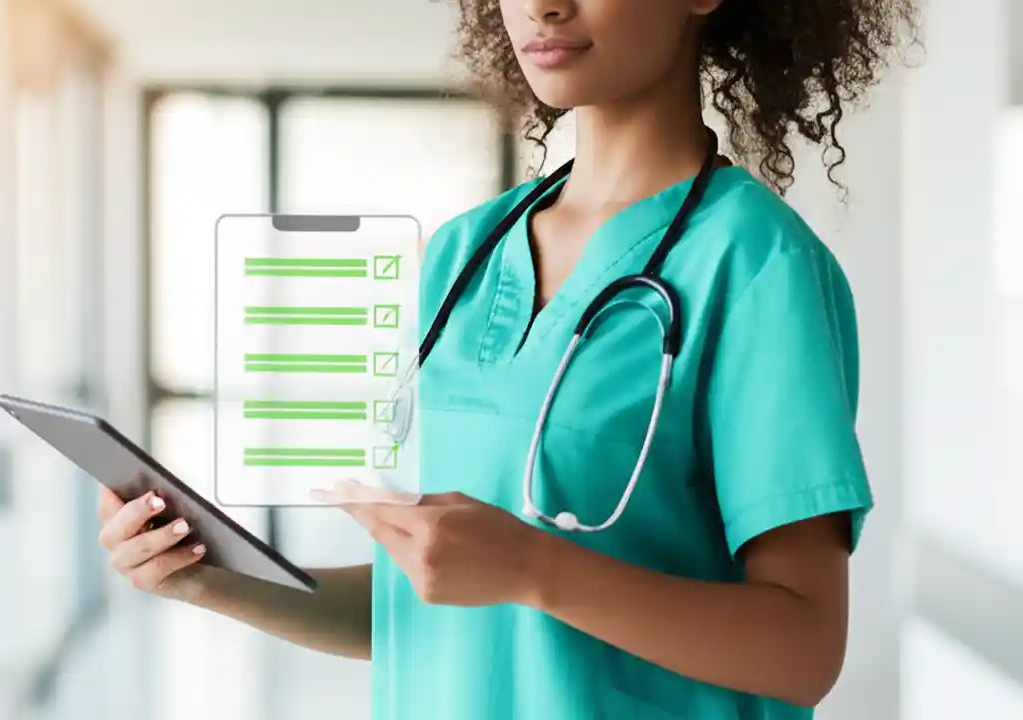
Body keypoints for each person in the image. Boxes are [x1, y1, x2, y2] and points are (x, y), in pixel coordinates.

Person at [96, 1, 915, 717]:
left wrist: (535, 568)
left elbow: (804, 650)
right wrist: (211, 577)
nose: (543, 6)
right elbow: (427, 602)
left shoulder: (758, 265)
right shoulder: (463, 254)